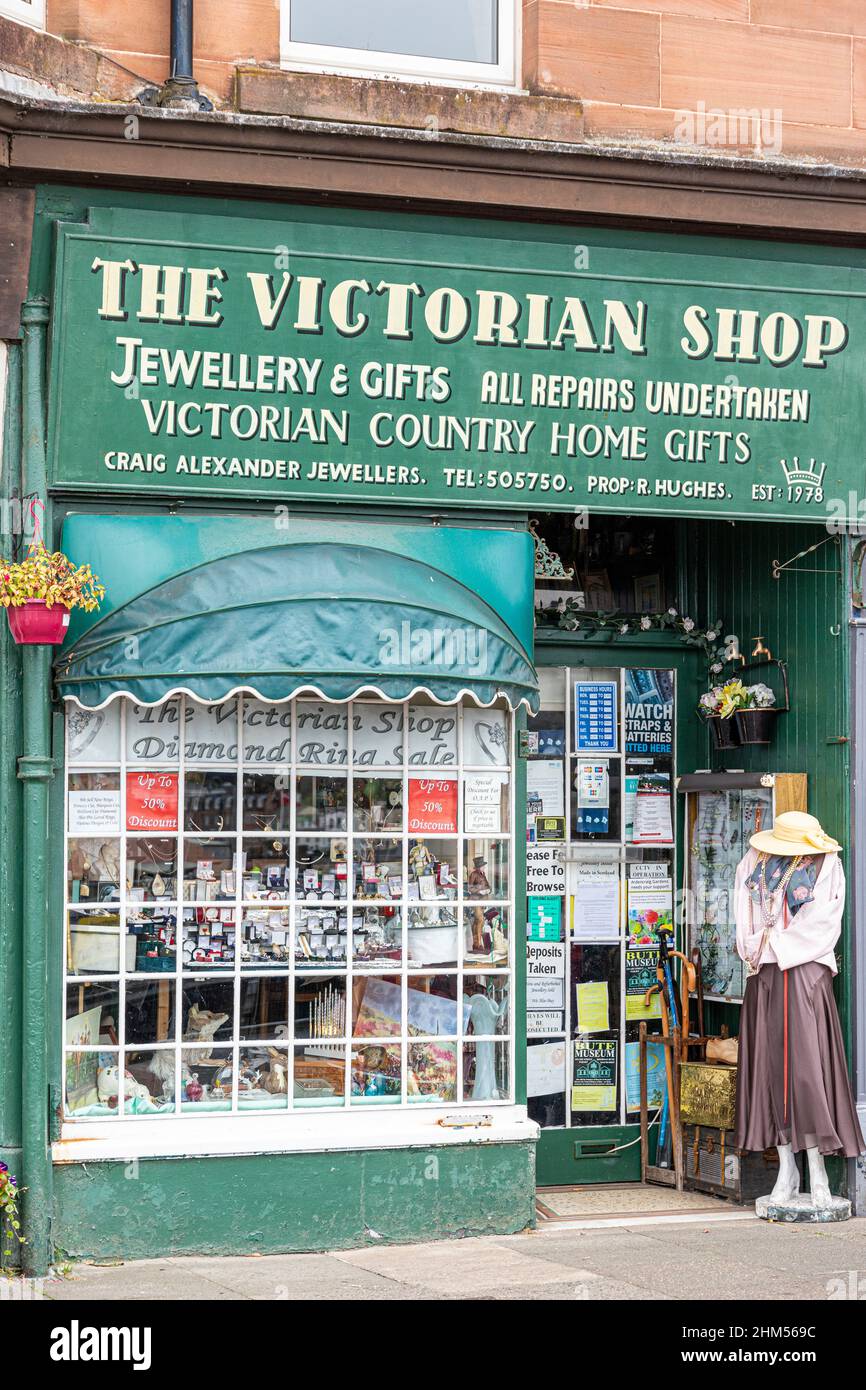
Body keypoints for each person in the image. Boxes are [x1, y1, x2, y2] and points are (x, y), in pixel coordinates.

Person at [733, 811, 864, 1208]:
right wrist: (757, 946)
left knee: (807, 1069)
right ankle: (786, 1166)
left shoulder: (828, 865)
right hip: (766, 970)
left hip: (805, 970)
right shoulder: (755, 860)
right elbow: (743, 909)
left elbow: (825, 921)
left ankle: (817, 1168)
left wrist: (779, 946)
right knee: (770, 1067)